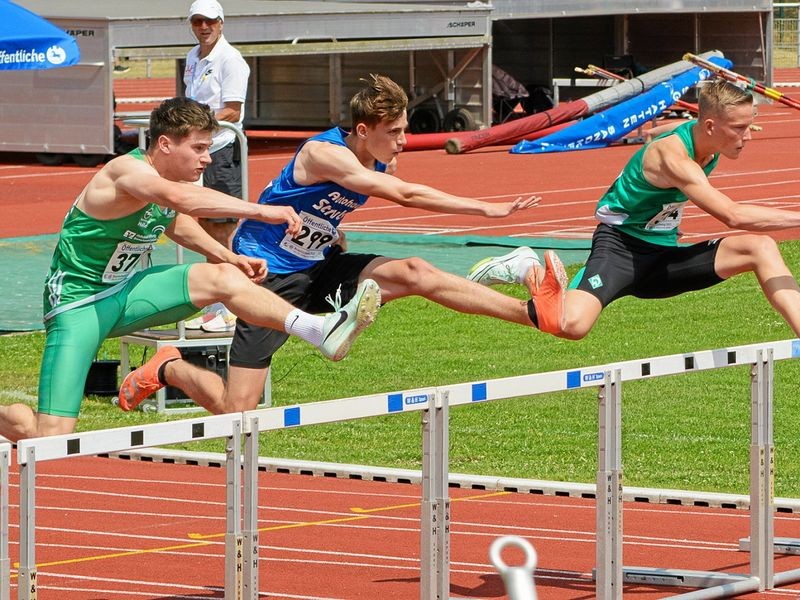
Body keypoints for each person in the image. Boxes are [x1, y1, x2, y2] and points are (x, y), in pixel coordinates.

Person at [121, 73, 559, 414]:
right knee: (238, 409)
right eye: (396, 133)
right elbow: (405, 194)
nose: (404, 142)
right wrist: (488, 210)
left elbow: (325, 205)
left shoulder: (375, 157)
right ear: (364, 130)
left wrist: (329, 227)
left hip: (322, 264)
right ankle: (168, 366)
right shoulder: (323, 153)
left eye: (406, 130)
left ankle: (533, 314)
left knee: (415, 272)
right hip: (265, 275)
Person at [0, 97, 379, 443]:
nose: (207, 159)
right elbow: (181, 201)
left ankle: (318, 329)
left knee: (223, 277)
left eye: (209, 148)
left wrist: (226, 256)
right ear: (165, 144)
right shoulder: (124, 174)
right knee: (46, 437)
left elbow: (173, 220)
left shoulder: (164, 182)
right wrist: (263, 211)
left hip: (125, 293)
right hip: (77, 307)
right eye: (198, 148)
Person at [468, 77, 800, 341]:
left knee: (761, 248)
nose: (748, 137)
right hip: (621, 250)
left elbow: (665, 130)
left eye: (749, 127)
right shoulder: (674, 159)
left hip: (664, 257)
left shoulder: (706, 142)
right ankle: (525, 268)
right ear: (711, 126)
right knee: (570, 325)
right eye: (740, 128)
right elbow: (732, 215)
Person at [183, 0, 251, 332]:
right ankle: (216, 304)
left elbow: (232, 111)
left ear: (221, 23)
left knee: (223, 230)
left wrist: (193, 122)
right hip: (198, 149)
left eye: (209, 21)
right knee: (205, 227)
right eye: (197, 22)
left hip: (222, 150)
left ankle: (232, 304)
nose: (204, 27)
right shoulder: (192, 58)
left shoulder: (230, 59)